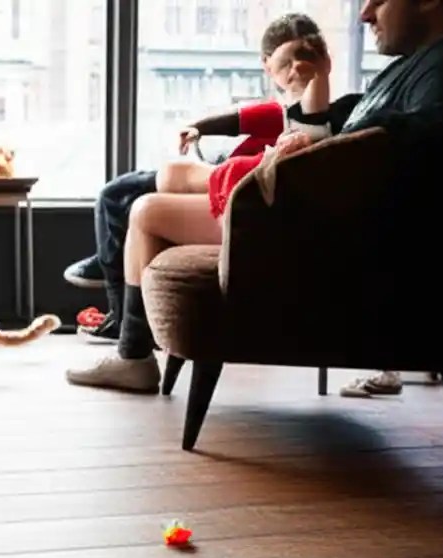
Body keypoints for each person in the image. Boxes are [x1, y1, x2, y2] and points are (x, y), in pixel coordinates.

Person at [67, 0, 443, 394]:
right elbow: (357, 131)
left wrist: (311, 153)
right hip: (326, 227)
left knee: (146, 212)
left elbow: (414, 159)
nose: (365, 13)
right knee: (157, 191)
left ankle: (133, 356)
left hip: (337, 246)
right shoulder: (437, 61)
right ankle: (135, 342)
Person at [64, 13, 333, 344]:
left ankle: (118, 297)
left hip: (245, 196)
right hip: (233, 182)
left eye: (303, 60)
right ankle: (114, 276)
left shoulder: (311, 114)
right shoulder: (283, 111)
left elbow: (312, 108)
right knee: (145, 184)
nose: (294, 70)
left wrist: (315, 72)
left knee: (127, 199)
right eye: (285, 64)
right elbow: (235, 120)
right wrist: (199, 129)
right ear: (268, 67)